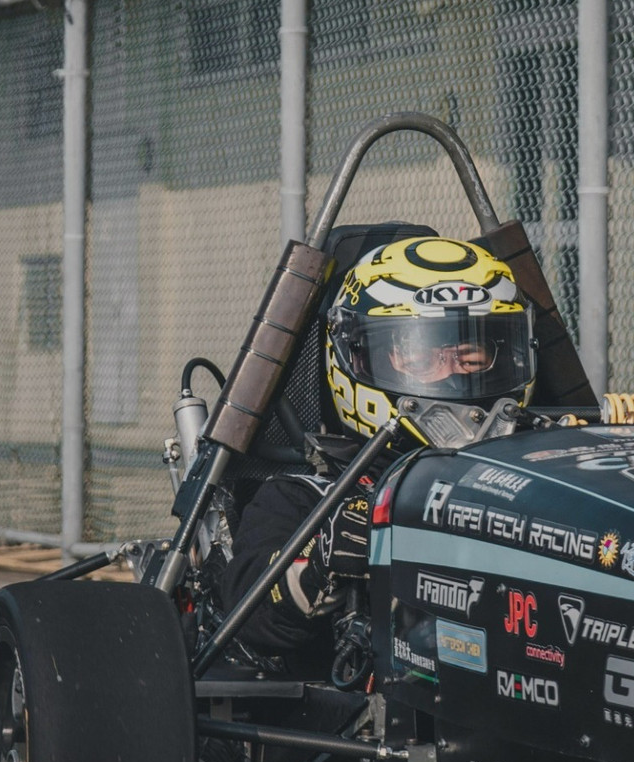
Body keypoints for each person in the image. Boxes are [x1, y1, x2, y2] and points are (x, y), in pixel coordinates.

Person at [217, 236, 537, 675]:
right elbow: (246, 612)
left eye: (470, 355)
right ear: (357, 357)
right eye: (421, 358)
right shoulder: (306, 498)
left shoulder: (543, 475)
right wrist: (318, 567)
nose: (449, 378)